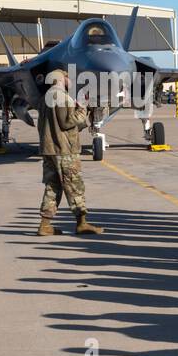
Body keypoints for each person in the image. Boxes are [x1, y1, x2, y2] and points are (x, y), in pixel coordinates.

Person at [35, 68, 102, 236]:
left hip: (49, 149)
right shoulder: (62, 97)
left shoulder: (44, 99)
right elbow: (68, 123)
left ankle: (45, 225)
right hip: (64, 150)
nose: (70, 80)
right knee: (74, 186)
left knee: (52, 186)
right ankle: (82, 223)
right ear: (60, 79)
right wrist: (83, 109)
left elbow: (53, 125)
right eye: (67, 77)